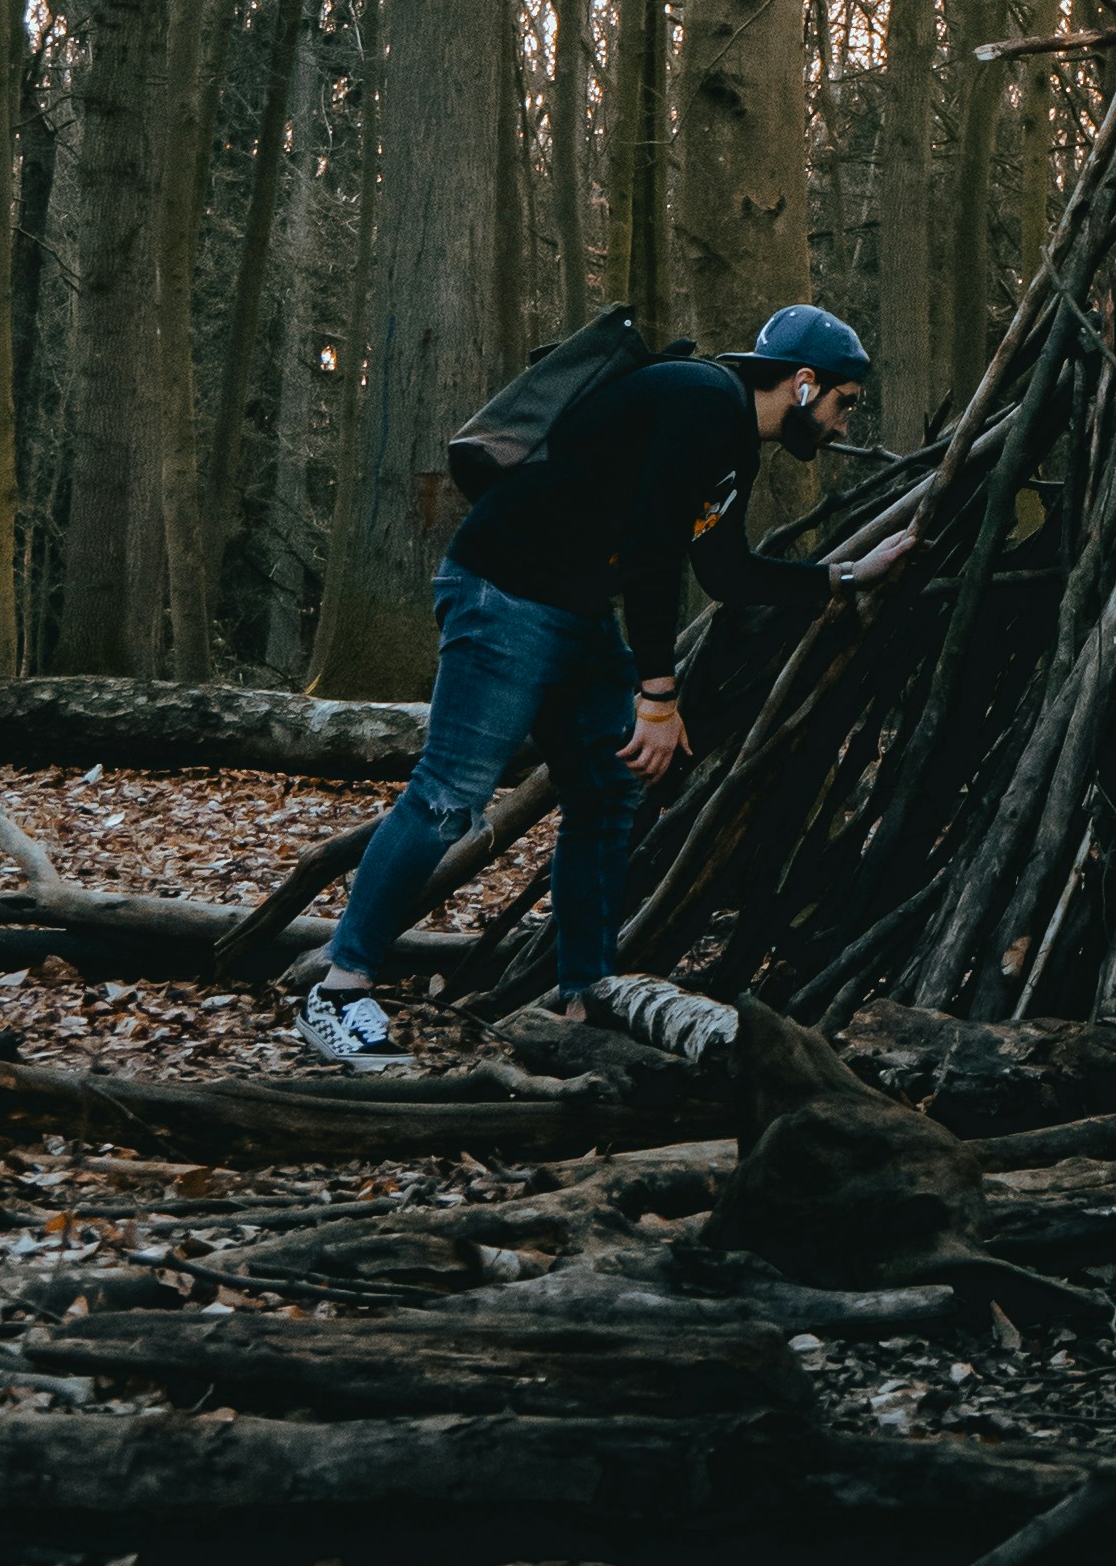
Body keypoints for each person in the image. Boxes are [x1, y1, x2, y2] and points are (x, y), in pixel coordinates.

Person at [295, 303, 909, 1070]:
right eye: (844, 403)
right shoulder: (698, 400)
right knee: (451, 793)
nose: (845, 424)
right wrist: (658, 695)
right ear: (806, 381)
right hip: (504, 589)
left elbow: (724, 570)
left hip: (574, 610)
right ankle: (339, 989)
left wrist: (845, 575)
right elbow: (654, 549)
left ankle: (584, 992)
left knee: (607, 785)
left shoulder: (731, 445)